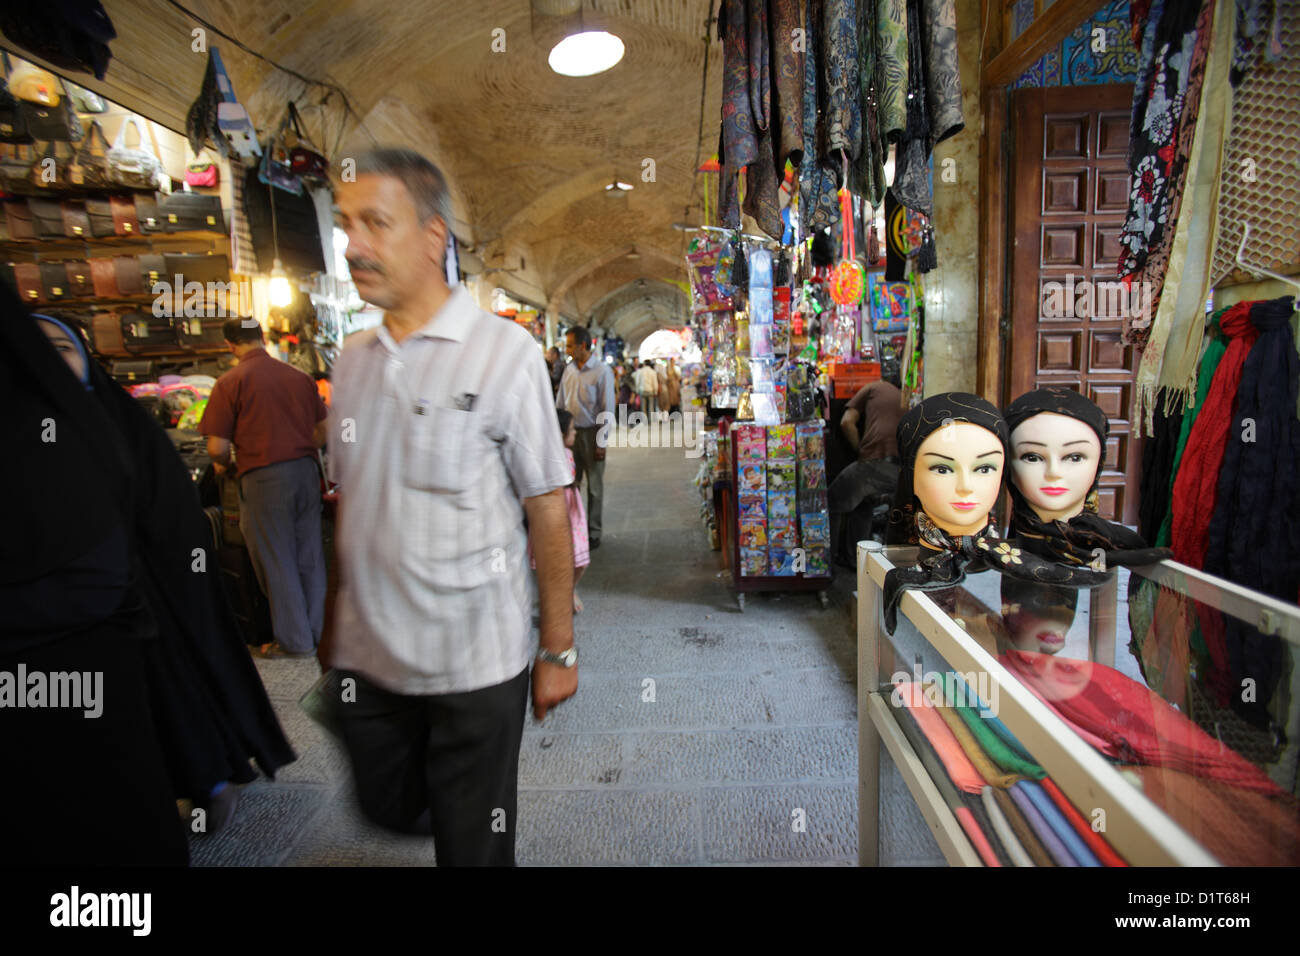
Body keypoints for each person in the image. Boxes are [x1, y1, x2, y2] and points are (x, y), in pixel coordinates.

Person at [329, 148, 577, 866]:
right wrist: (332, 625)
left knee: (475, 848)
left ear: (434, 238)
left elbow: (546, 505)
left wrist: (557, 648)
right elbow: (352, 502)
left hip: (476, 662)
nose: (353, 245)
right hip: (369, 660)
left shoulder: (505, 354)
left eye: (375, 223)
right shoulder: (352, 362)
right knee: (383, 802)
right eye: (346, 224)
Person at [2, 299, 295, 864]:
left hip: (152, 607)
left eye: (62, 349)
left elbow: (173, 516)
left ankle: (208, 778)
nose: (48, 362)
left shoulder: (115, 422)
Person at [199, 319, 328, 659]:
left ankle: (295, 642)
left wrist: (224, 464)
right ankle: (317, 633)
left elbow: (216, 448)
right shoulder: (299, 377)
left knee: (276, 558)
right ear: (261, 338)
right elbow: (323, 430)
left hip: (263, 478)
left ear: (230, 345)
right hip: (305, 473)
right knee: (309, 556)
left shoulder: (231, 382)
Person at [828, 375, 905, 564]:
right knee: (863, 505)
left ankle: (825, 561)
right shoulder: (904, 395)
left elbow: (846, 422)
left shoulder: (873, 387)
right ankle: (856, 561)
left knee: (831, 502)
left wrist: (861, 450)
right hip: (901, 470)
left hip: (876, 462)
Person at [557, 325, 616, 550]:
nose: (568, 349)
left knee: (594, 487)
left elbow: (606, 408)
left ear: (583, 345)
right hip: (570, 434)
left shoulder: (602, 372)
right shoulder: (568, 370)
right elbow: (561, 402)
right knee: (571, 484)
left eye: (570, 345)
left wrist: (601, 442)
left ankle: (593, 532)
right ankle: (573, 530)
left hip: (591, 434)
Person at [530, 410, 591, 613]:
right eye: (571, 430)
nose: (575, 433)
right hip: (557, 513)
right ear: (560, 434)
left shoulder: (567, 453)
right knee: (558, 561)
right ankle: (558, 597)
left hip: (572, 513)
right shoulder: (549, 457)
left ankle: (569, 591)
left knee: (578, 561)